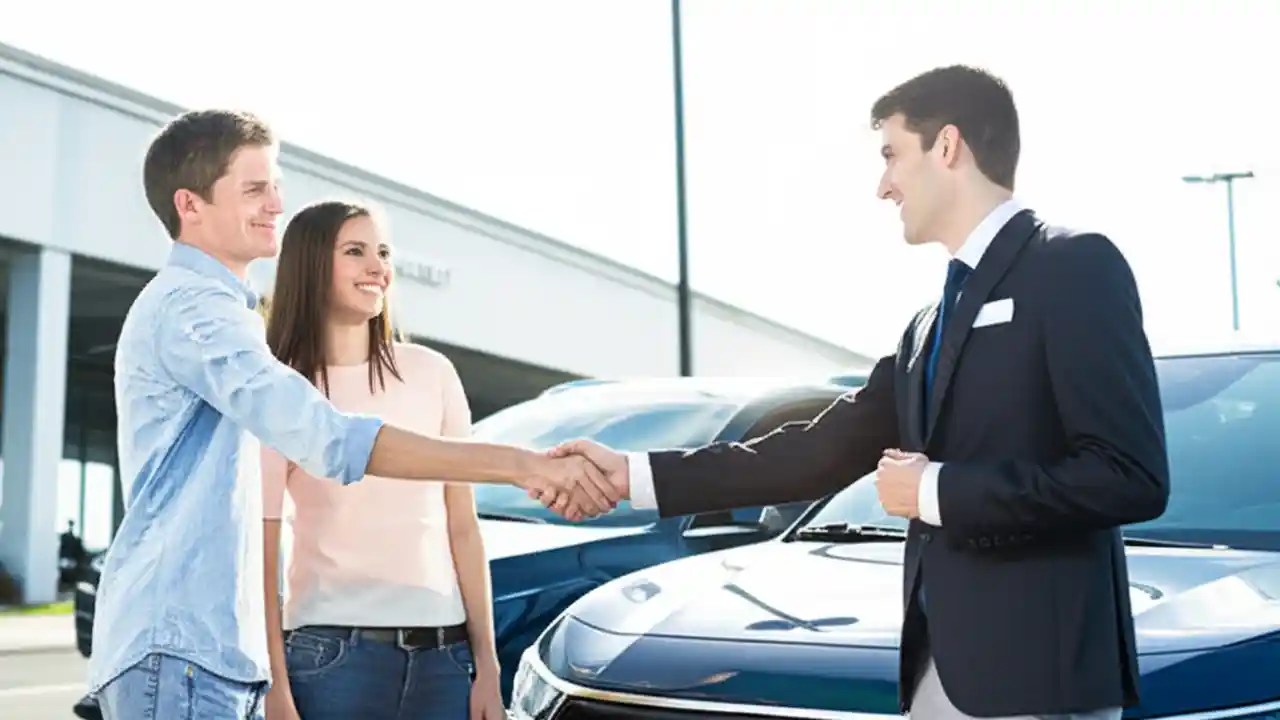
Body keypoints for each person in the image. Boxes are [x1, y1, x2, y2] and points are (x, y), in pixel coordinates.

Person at [547, 65, 1170, 719]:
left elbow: (1128, 475)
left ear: (948, 147)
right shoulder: (927, 325)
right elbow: (816, 452)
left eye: (892, 155)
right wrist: (631, 475)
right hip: (936, 671)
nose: (883, 186)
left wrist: (936, 490)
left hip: (1039, 680)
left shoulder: (1074, 265)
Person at [90, 109, 617, 720]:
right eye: (254, 188)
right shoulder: (195, 310)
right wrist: (523, 466)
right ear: (191, 204)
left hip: (207, 656)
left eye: (276, 186)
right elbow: (326, 437)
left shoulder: (223, 317)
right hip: (182, 653)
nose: (275, 204)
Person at [258, 199, 504, 720]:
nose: (379, 268)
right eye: (355, 251)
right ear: (309, 265)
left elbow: (463, 527)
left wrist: (487, 667)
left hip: (446, 659)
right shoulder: (278, 391)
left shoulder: (432, 373)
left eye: (384, 252)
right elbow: (261, 551)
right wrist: (276, 689)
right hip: (332, 661)